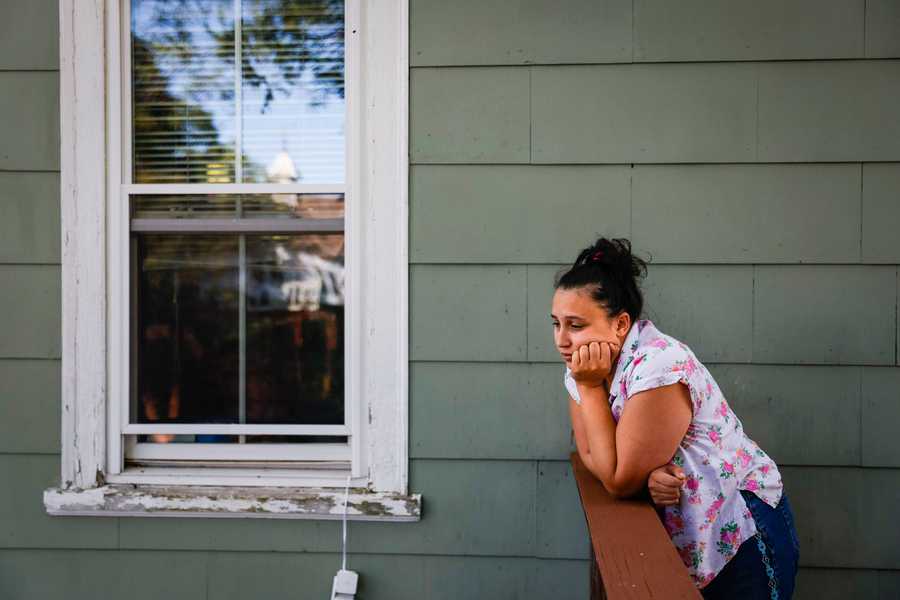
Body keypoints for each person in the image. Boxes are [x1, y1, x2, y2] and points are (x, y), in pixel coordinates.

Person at [552, 237, 799, 598]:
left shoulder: (659, 365)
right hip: (692, 538)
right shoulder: (585, 367)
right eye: (555, 323)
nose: (562, 340)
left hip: (740, 529)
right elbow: (591, 455)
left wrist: (590, 392)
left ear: (621, 324)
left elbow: (617, 479)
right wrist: (643, 474)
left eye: (575, 325)